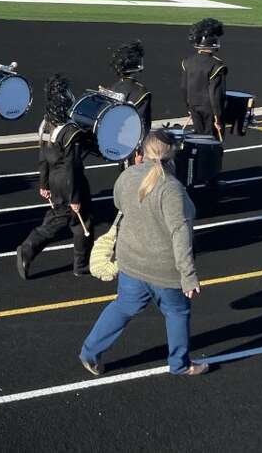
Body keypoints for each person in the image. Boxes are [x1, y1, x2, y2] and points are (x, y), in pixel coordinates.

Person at [78, 130, 206, 377]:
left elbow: (119, 203)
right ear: (172, 156)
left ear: (142, 152)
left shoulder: (127, 176)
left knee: (122, 307)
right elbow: (180, 234)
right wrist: (188, 276)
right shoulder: (171, 188)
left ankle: (89, 353)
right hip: (164, 270)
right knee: (177, 313)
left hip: (131, 262)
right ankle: (179, 364)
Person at [16, 75, 95, 279]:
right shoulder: (70, 132)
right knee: (81, 221)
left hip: (53, 179)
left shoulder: (46, 123)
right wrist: (75, 197)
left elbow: (43, 156)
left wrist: (43, 183)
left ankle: (78, 263)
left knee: (60, 217)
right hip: (69, 183)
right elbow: (73, 167)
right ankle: (31, 249)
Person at [181, 18, 226, 139]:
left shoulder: (187, 62)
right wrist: (218, 116)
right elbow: (215, 94)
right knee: (211, 141)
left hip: (193, 106)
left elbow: (184, 87)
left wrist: (189, 108)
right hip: (210, 110)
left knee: (198, 139)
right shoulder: (217, 65)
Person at [110, 41, 152, 153]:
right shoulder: (141, 92)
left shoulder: (113, 87)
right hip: (131, 145)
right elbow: (143, 124)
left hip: (113, 142)